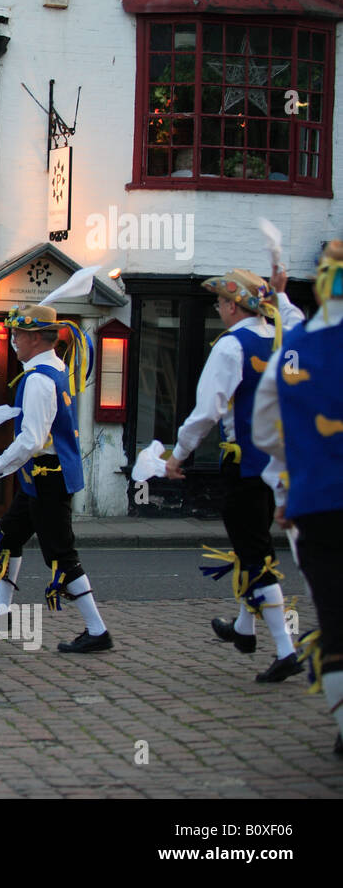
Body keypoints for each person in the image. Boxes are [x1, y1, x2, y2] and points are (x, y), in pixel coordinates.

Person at [165, 266, 304, 682]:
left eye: (220, 302)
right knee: (255, 546)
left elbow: (208, 410)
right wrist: (282, 298)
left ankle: (285, 648)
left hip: (244, 464)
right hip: (282, 462)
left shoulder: (231, 346)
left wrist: (179, 454)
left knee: (254, 552)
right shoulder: (285, 338)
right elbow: (297, 323)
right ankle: (245, 628)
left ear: (230, 305)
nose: (219, 309)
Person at [0, 304, 112, 653]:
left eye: (17, 334)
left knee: (61, 554)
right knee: (8, 535)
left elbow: (31, 440)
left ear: (33, 337)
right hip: (42, 475)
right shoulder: (53, 368)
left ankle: (97, 629)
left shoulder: (39, 379)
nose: (13, 340)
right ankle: (0, 608)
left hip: (48, 477)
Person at [253, 240, 343, 751]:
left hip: (319, 503)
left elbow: (266, 429)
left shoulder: (296, 347)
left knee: (335, 620)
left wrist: (292, 476)